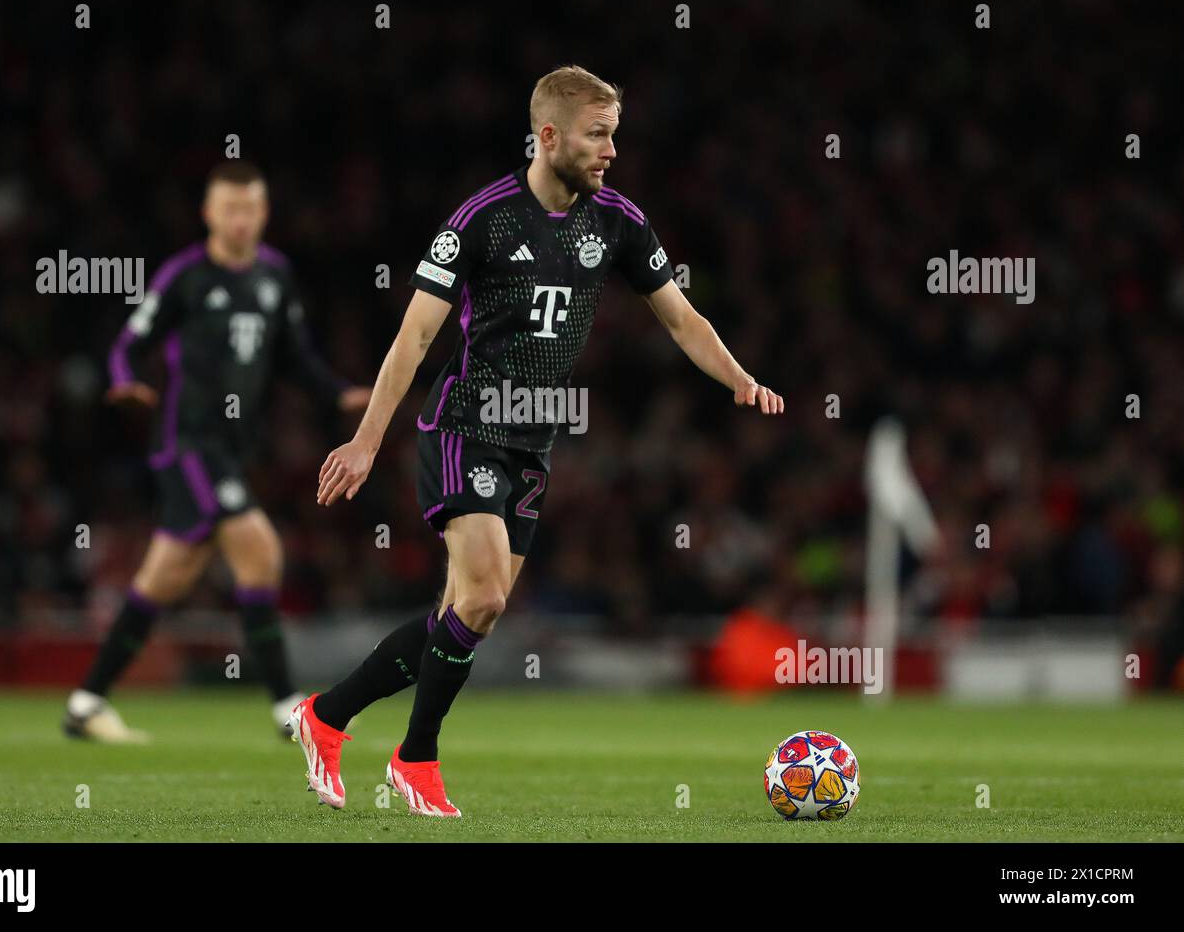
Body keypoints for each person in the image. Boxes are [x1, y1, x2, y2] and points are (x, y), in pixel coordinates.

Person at [289, 67, 783, 815]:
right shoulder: (483, 219)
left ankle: (325, 717)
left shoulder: (617, 221)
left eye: (614, 134)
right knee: (483, 596)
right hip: (464, 427)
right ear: (549, 136)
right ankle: (416, 758)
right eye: (596, 134)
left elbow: (682, 319)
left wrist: (739, 378)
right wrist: (365, 441)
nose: (611, 149)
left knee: (462, 615)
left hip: (533, 441)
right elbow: (414, 335)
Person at [63, 161, 370, 743]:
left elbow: (294, 356)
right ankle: (288, 709)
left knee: (163, 581)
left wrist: (338, 395)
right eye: (230, 208)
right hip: (187, 444)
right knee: (260, 551)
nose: (241, 220)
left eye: (251, 208)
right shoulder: (186, 276)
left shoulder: (276, 275)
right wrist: (125, 377)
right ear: (208, 213)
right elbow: (131, 339)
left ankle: (85, 703)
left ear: (264, 212)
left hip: (231, 448)